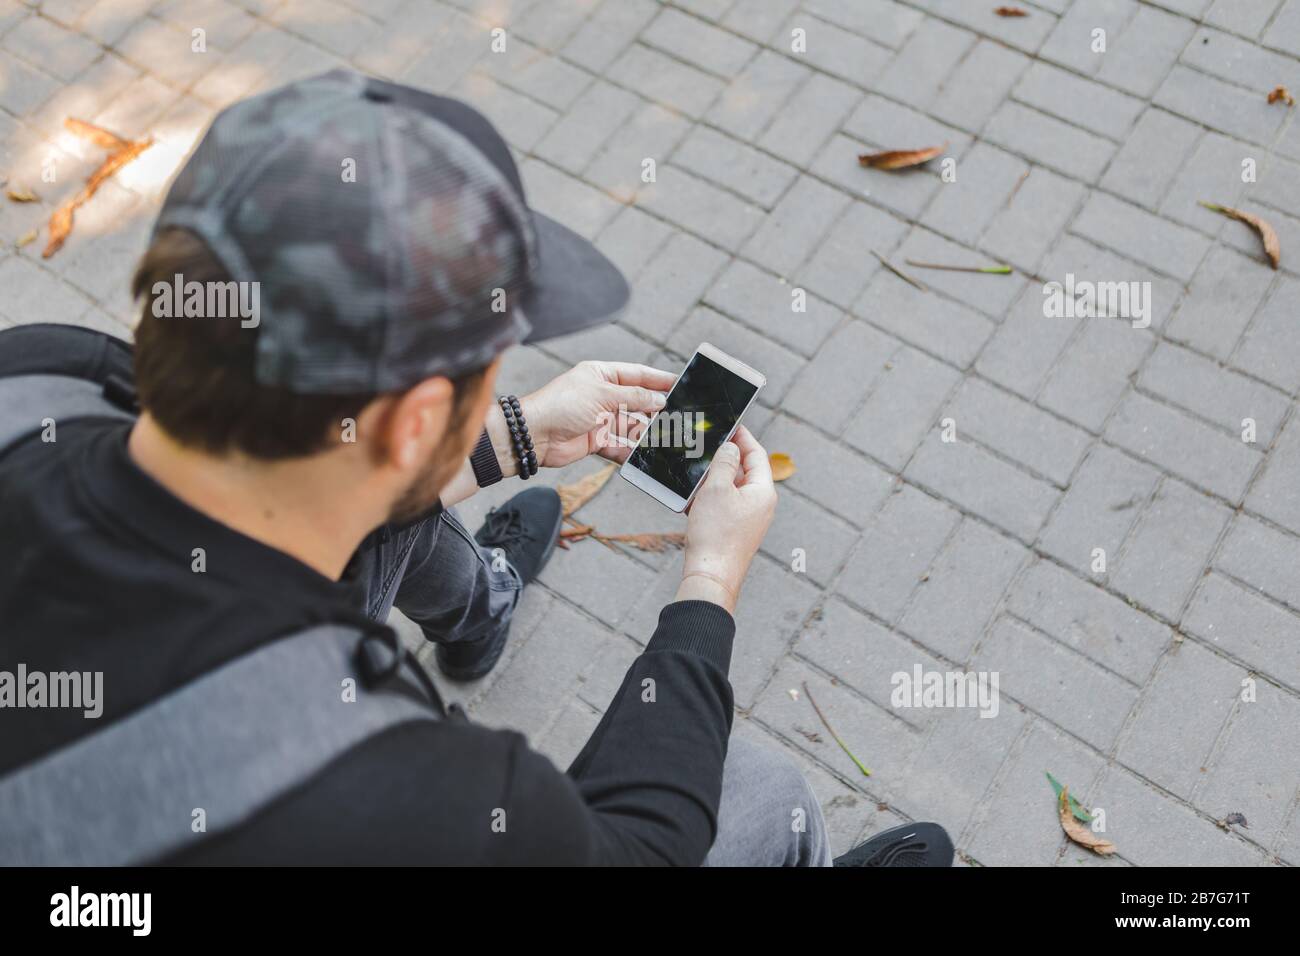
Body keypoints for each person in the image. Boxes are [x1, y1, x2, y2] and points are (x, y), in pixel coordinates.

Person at [0, 69, 952, 867]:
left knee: (388, 514)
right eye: (494, 364)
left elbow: (329, 479)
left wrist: (519, 434)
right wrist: (710, 581)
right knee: (766, 795)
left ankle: (480, 610)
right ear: (414, 421)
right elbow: (643, 845)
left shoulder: (40, 372)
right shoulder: (408, 788)